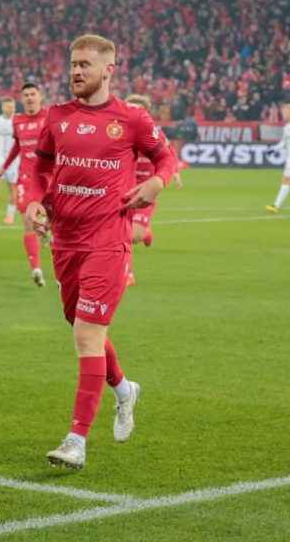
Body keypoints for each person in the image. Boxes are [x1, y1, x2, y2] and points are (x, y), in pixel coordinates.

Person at [24, 35, 178, 470]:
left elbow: (166, 158)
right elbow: (40, 167)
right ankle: (125, 389)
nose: (76, 71)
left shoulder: (131, 118)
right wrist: (36, 200)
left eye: (86, 65)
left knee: (86, 335)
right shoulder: (57, 117)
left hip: (108, 241)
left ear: (109, 69)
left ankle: (76, 440)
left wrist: (157, 182)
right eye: (73, 64)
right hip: (65, 241)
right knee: (82, 324)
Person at [0, 83, 50, 286]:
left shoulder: (49, 117)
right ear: (22, 99)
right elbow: (18, 145)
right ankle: (36, 268)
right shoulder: (17, 120)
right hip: (26, 178)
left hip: (49, 176)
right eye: (25, 95)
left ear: (40, 96)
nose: (29, 97)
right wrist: (3, 168)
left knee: (56, 218)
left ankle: (45, 226)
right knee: (27, 220)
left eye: (32, 94)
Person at [123, 94, 183, 285]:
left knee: (135, 235)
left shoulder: (153, 133)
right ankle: (127, 274)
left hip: (147, 189)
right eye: (131, 107)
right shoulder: (118, 132)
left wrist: (174, 172)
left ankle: (146, 232)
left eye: (140, 108)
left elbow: (168, 154)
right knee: (121, 233)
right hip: (124, 188)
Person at [264, 102, 290, 213]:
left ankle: (276, 205)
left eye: (285, 111)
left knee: (286, 181)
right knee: (286, 181)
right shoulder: (287, 127)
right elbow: (283, 143)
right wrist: (273, 149)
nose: (283, 113)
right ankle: (276, 206)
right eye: (282, 111)